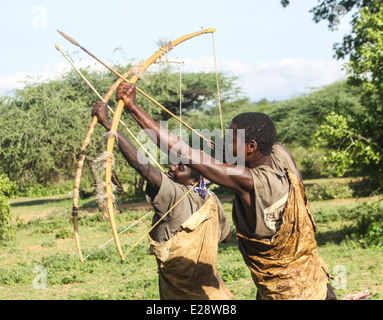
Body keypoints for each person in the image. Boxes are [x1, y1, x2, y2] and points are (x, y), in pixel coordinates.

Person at [117, 81, 337, 300]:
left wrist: (133, 107)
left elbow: (184, 152)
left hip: (287, 294)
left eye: (231, 140)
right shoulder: (280, 154)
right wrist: (228, 154)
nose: (225, 144)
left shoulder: (250, 182)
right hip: (316, 281)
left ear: (251, 147)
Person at [91, 101, 233, 300]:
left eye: (180, 168)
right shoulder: (211, 199)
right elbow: (225, 237)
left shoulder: (176, 194)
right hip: (215, 295)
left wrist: (108, 123)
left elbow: (143, 167)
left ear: (194, 180)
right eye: (175, 164)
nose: (172, 167)